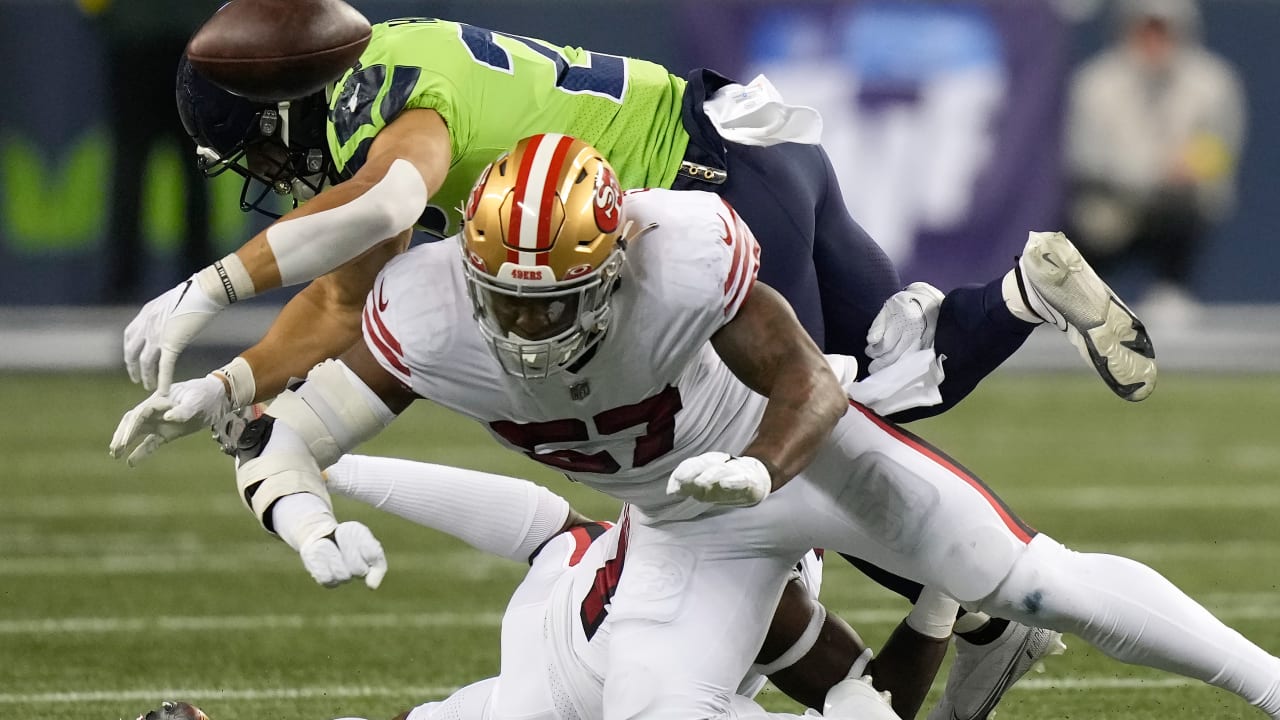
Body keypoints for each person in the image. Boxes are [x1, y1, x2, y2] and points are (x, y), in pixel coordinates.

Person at [119, 12, 1151, 716]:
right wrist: (229, 384)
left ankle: (971, 600)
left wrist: (210, 286)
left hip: (695, 197)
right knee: (891, 362)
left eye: (255, 154)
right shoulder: (393, 58)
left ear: (284, 102)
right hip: (748, 135)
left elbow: (386, 211)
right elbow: (342, 299)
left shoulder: (382, 109)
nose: (267, 181)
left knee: (821, 423)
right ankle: (1014, 302)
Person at [134, 450, 939, 720]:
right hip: (587, 685)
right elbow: (877, 702)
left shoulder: (706, 483)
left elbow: (552, 531)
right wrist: (946, 596)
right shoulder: (763, 585)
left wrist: (343, 467)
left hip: (571, 610)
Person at [1064, 0, 1246, 326]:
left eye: (1162, 29)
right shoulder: (1096, 84)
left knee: (1185, 208)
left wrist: (1194, 165)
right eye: (1145, 28)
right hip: (1111, 204)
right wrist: (1148, 174)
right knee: (1086, 219)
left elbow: (1221, 148)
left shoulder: (1212, 83)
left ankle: (1171, 290)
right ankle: (1085, 302)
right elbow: (1083, 158)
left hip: (1174, 206)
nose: (1153, 40)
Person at [79, 0, 221, 302]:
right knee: (196, 160)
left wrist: (110, 17)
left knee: (132, 163)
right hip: (189, 42)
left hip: (137, 40)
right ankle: (202, 275)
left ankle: (122, 279)